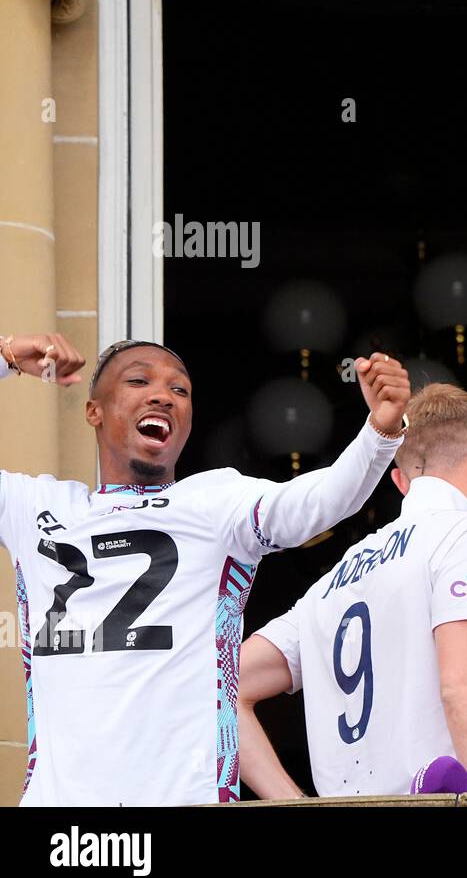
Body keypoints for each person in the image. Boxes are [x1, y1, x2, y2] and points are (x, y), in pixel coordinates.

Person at [0, 335, 409, 805]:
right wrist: (7, 356)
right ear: (94, 411)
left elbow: (321, 500)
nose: (162, 396)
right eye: (138, 381)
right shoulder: (33, 507)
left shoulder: (216, 502)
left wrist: (379, 432)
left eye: (180, 391)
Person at [238, 383, 467, 798]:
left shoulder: (332, 580)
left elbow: (219, 685)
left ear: (401, 480)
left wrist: (293, 805)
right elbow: (462, 687)